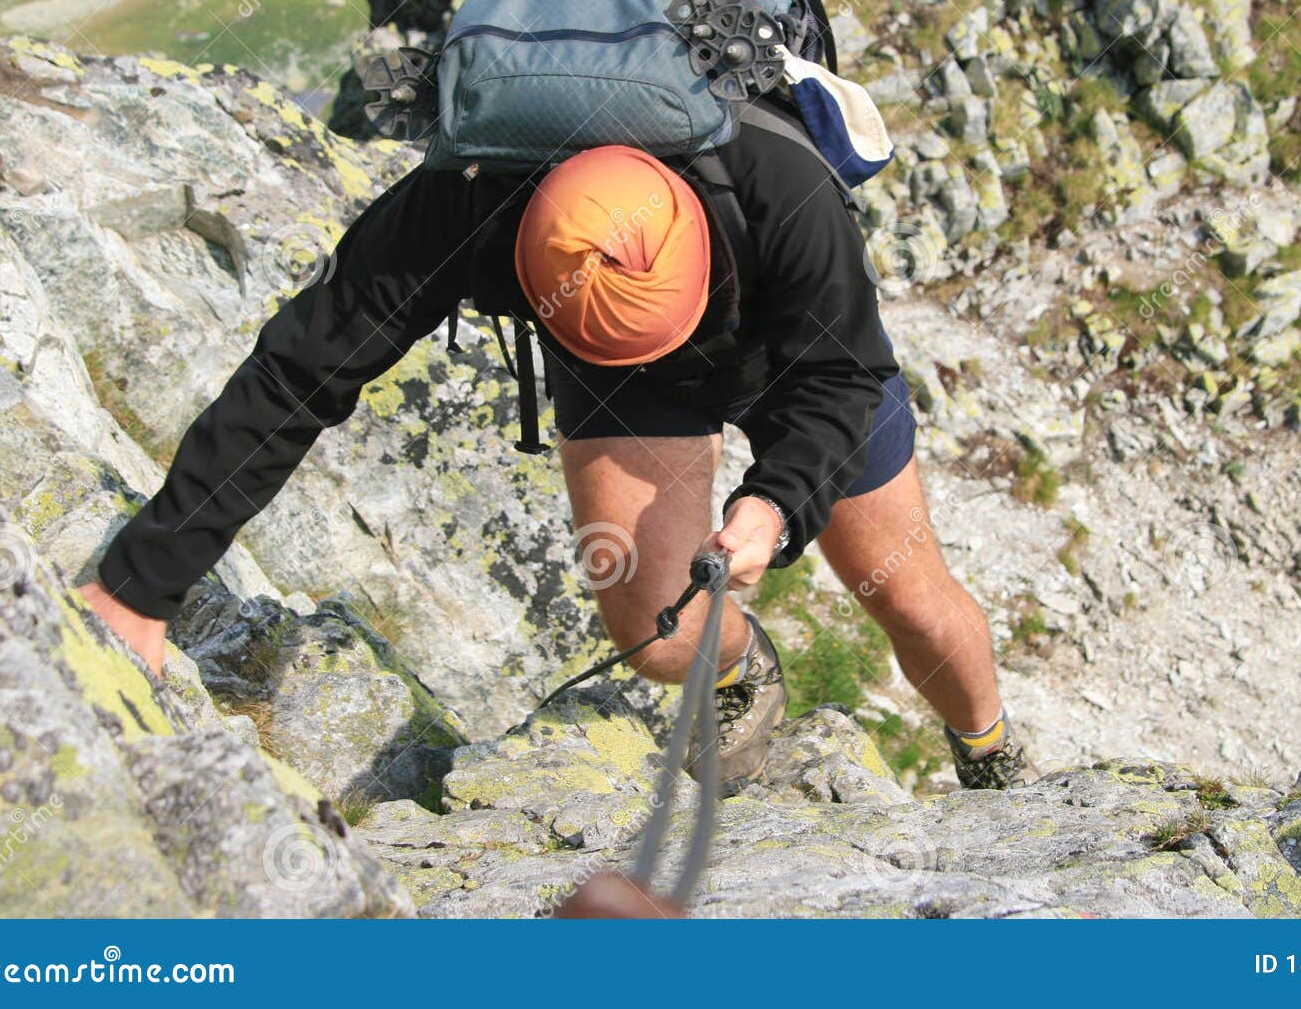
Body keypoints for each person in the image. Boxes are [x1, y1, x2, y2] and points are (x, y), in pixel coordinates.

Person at [79, 93, 1027, 790]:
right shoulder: (464, 202)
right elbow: (299, 372)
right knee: (654, 627)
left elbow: (844, 375)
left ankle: (988, 749)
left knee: (907, 596)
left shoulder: (784, 190)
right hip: (609, 350)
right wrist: (139, 584)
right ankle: (741, 664)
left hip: (794, 355)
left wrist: (774, 502)